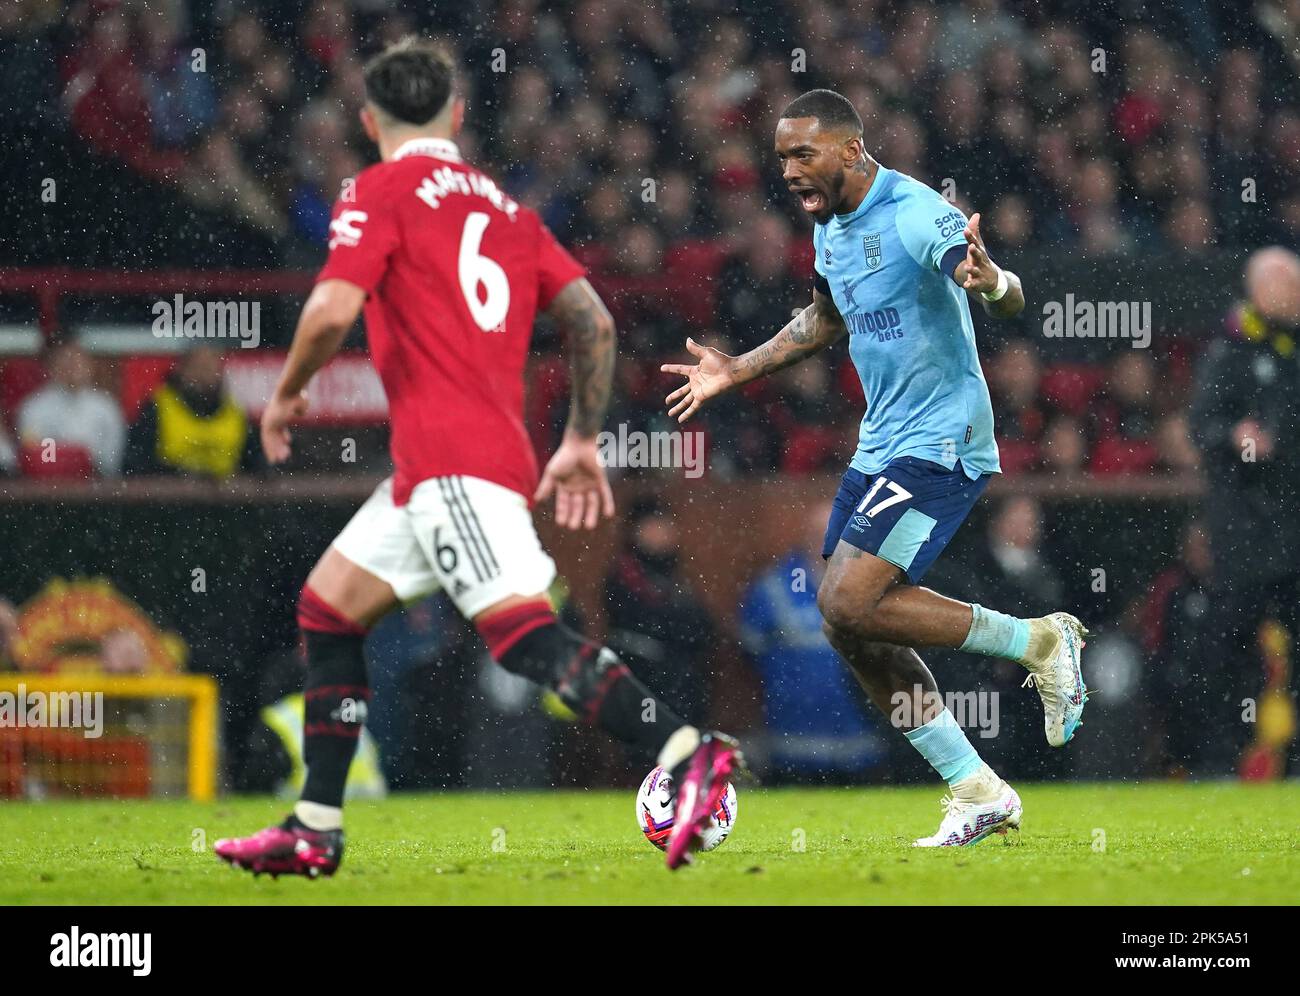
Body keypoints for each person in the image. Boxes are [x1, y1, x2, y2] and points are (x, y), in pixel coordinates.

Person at [214, 38, 738, 877]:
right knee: (329, 610)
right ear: (457, 117)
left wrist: (285, 394)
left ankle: (686, 750)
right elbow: (595, 322)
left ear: (367, 120)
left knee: (522, 636)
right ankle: (315, 824)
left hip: (450, 464)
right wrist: (576, 441)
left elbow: (330, 305)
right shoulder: (504, 207)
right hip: (447, 465)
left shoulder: (378, 189)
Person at [662, 89, 1086, 847]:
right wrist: (737, 370)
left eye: (803, 154)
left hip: (943, 440)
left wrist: (992, 283)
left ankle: (1039, 642)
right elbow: (825, 318)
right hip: (882, 443)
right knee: (847, 624)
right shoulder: (828, 225)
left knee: (851, 600)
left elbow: (1008, 291)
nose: (790, 172)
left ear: (852, 150)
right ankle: (976, 788)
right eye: (782, 158)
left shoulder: (918, 212)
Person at [738, 501, 878, 780]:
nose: (826, 540)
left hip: (860, 741)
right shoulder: (773, 586)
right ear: (805, 535)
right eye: (818, 533)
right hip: (793, 740)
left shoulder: (870, 584)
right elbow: (749, 649)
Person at [124, 345, 255, 479]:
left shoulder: (236, 413)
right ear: (181, 369)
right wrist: (180, 475)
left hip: (228, 497)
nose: (204, 376)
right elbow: (137, 466)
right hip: (171, 495)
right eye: (198, 367)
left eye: (210, 367)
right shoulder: (157, 409)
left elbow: (257, 467)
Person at [17, 341, 126, 477]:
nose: (72, 368)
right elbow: (33, 454)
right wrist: (69, 460)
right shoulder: (34, 407)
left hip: (97, 489)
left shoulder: (106, 406)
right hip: (47, 487)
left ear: (90, 366)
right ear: (52, 368)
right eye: (65, 362)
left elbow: (112, 460)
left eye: (78, 362)